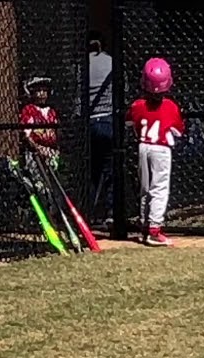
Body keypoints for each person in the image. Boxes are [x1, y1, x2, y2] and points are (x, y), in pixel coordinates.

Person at [125, 57, 184, 247]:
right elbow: (178, 131)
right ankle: (154, 229)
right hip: (161, 148)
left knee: (145, 188)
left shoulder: (137, 105)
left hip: (143, 145)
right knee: (159, 188)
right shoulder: (170, 106)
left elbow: (129, 123)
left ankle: (145, 225)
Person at [88, 31, 115, 226]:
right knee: (111, 169)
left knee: (91, 170)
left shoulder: (81, 66)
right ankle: (110, 213)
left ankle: (87, 212)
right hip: (108, 118)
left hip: (88, 122)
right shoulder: (112, 63)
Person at [20, 76, 59, 181]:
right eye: (39, 91)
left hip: (51, 151)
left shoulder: (51, 111)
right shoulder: (29, 110)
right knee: (39, 182)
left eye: (44, 91)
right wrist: (37, 149)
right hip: (36, 153)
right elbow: (26, 134)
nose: (42, 94)